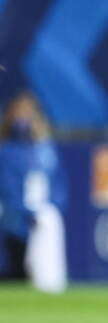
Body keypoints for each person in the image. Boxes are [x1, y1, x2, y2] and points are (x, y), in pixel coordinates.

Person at [0, 91, 67, 293]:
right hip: (14, 218)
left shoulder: (45, 151)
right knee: (16, 263)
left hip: (43, 218)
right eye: (19, 112)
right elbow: (7, 186)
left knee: (44, 268)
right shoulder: (5, 151)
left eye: (28, 112)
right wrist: (20, 211)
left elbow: (58, 184)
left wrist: (51, 209)